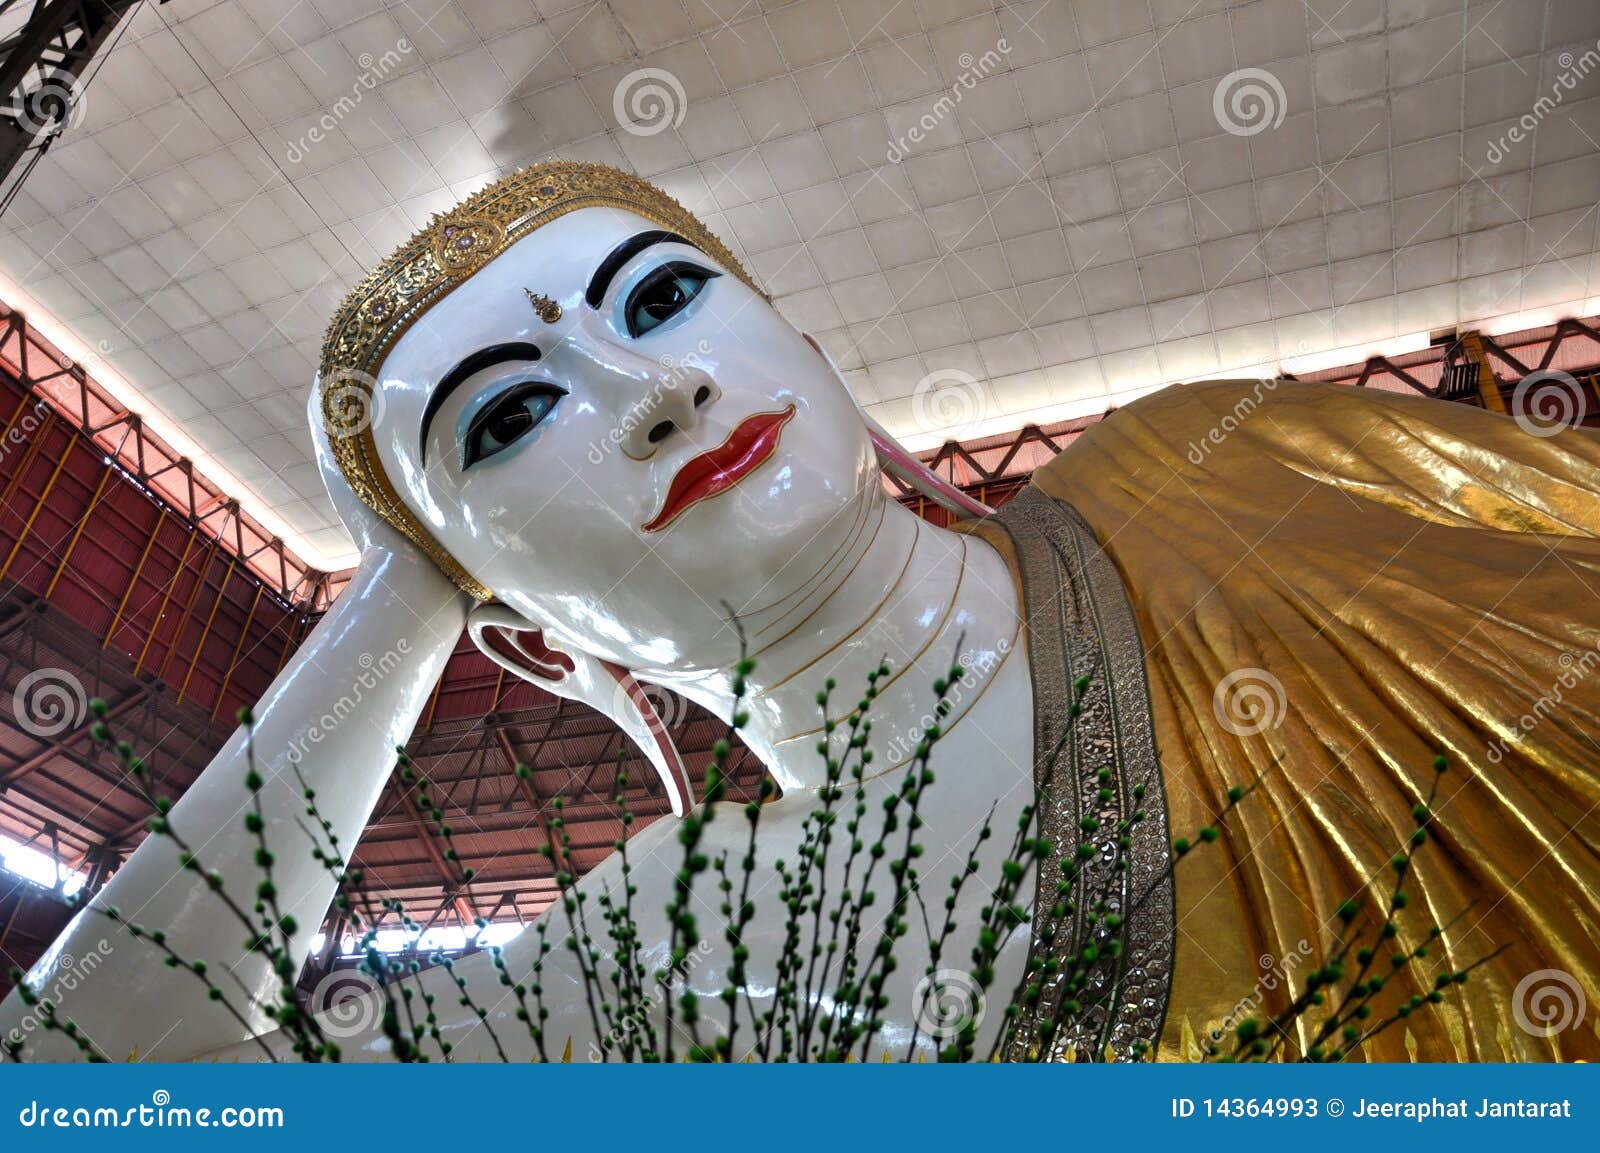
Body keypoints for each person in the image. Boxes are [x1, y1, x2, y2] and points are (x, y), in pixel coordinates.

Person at [5, 161, 1596, 1062]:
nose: (652, 390)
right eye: (506, 420)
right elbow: (86, 1092)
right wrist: (397, 606)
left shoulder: (1217, 466)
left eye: (666, 297)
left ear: (810, 348)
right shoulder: (669, 943)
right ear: (520, 635)